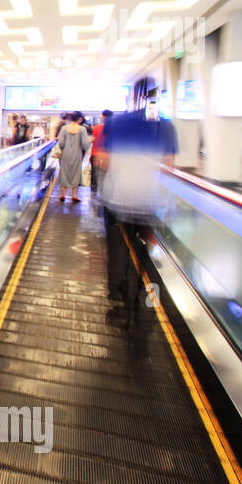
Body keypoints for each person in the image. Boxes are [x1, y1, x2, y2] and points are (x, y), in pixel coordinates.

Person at [100, 95, 177, 336]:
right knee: (148, 255)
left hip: (118, 201)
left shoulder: (117, 123)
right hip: (149, 202)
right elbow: (169, 166)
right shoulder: (166, 127)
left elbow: (103, 162)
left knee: (118, 251)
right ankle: (148, 300)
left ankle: (118, 296)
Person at [55, 111, 91, 202]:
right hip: (77, 154)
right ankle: (74, 196)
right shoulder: (82, 129)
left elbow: (61, 143)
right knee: (76, 173)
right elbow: (85, 145)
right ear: (79, 119)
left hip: (65, 154)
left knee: (64, 172)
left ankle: (63, 194)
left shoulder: (64, 128)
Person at [91, 109, 112, 199]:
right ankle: (104, 193)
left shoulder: (96, 128)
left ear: (103, 116)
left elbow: (93, 140)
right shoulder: (114, 128)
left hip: (95, 154)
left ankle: (94, 193)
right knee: (107, 175)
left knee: (95, 175)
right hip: (108, 156)